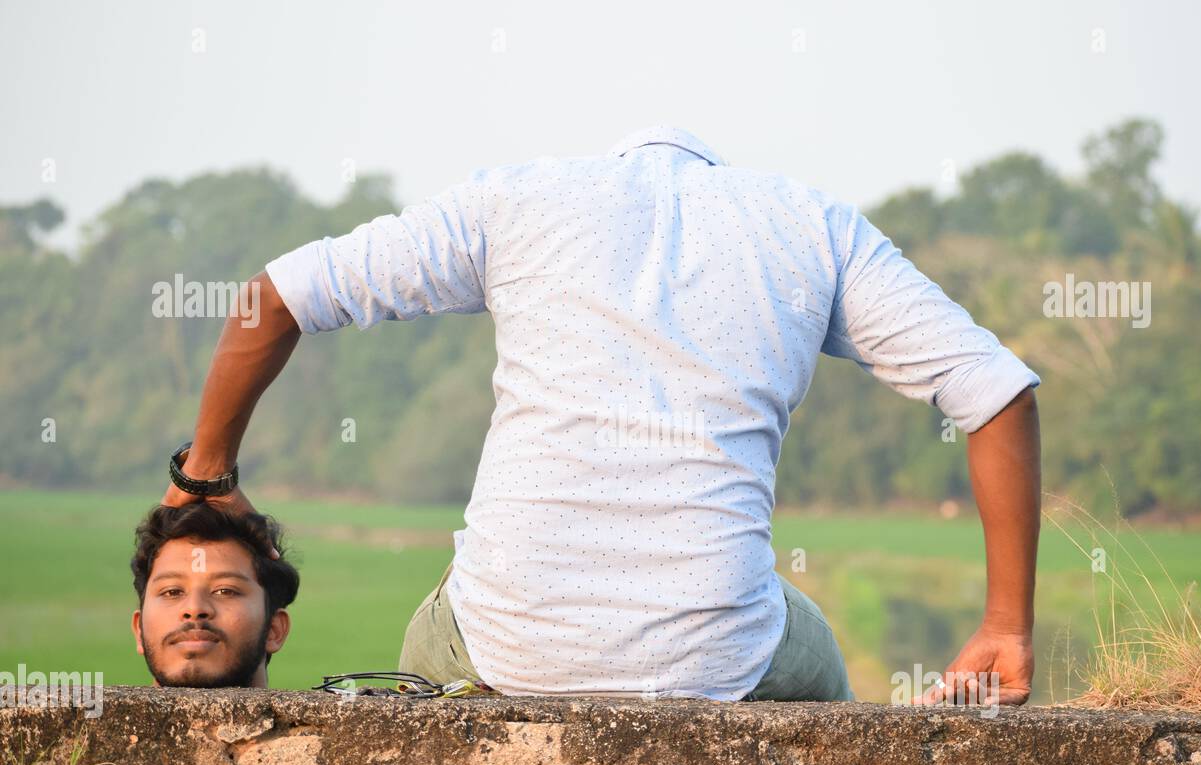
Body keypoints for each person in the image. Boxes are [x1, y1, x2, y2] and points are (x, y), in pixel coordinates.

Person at [159, 125, 1040, 705]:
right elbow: (996, 391)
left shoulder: (517, 201)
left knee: (428, 646)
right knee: (813, 658)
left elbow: (270, 301)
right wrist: (1004, 627)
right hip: (715, 658)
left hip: (507, 640)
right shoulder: (810, 227)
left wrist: (206, 475)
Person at [130, 502, 298, 688]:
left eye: (225, 591)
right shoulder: (92, 713)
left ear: (274, 629)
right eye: (172, 592)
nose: (194, 608)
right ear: (139, 630)